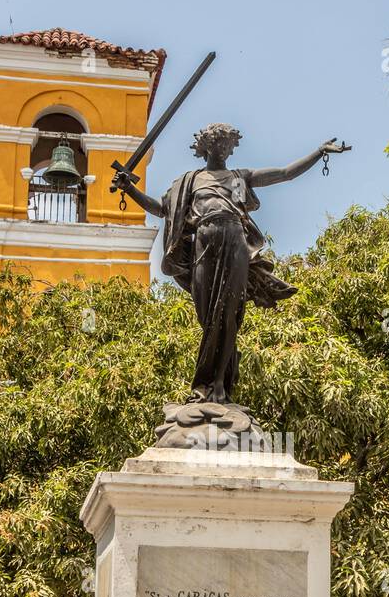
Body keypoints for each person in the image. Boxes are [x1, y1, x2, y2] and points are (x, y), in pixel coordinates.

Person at [113, 124, 349, 403]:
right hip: (204, 241)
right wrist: (129, 189)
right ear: (206, 147)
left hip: (234, 241)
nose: (224, 149)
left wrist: (318, 152)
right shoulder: (189, 181)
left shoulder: (240, 178)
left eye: (228, 145)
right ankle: (212, 381)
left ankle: (214, 386)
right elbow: (161, 209)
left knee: (227, 314)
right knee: (207, 315)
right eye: (219, 144)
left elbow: (285, 174)